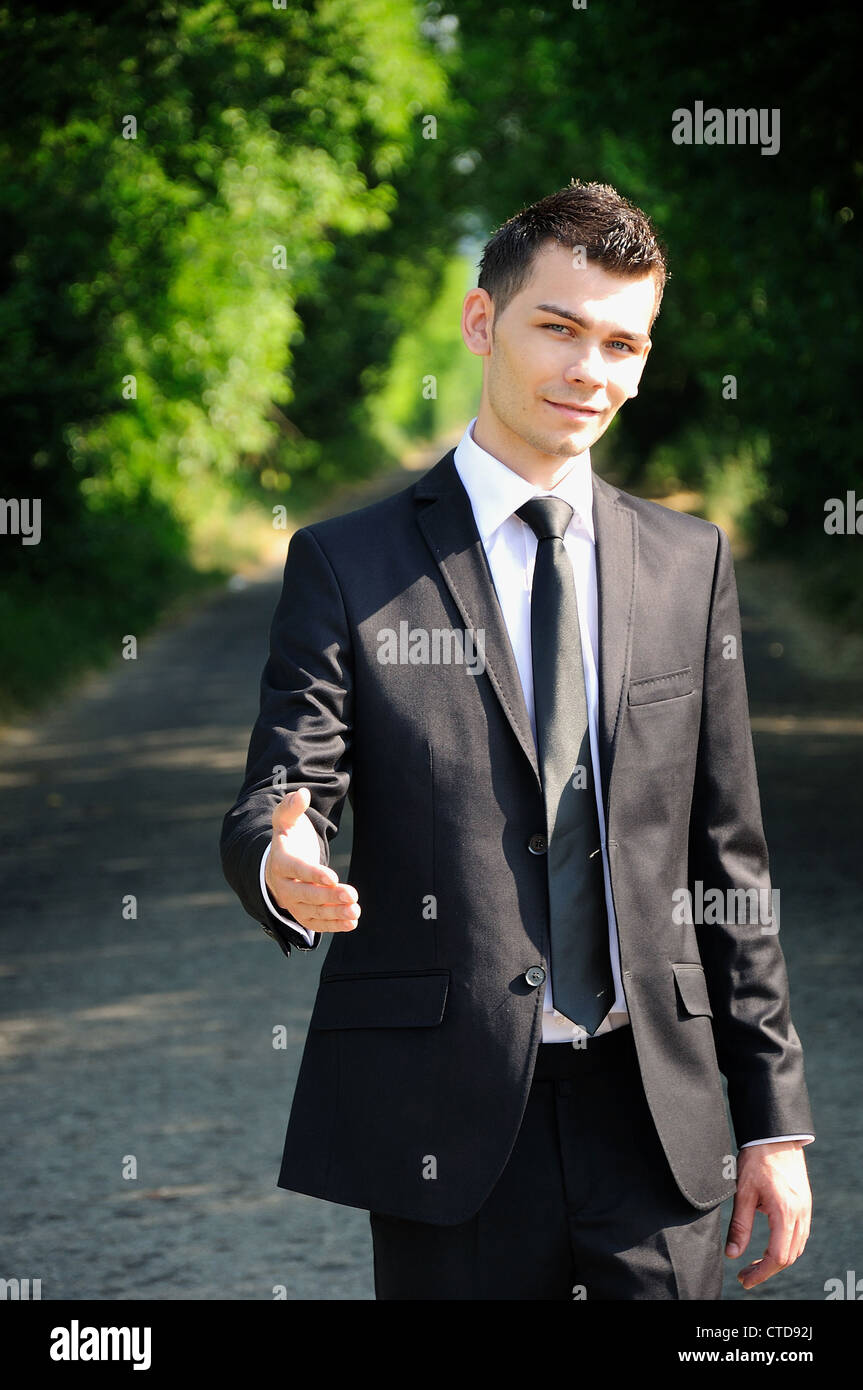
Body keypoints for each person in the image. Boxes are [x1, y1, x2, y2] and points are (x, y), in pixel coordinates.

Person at [220, 180, 814, 1300]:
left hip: (657, 1113)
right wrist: (278, 858)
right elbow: (288, 776)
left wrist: (774, 1122)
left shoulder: (690, 564)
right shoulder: (349, 563)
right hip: (449, 1114)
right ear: (482, 321)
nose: (590, 370)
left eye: (622, 343)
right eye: (558, 327)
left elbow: (728, 858)